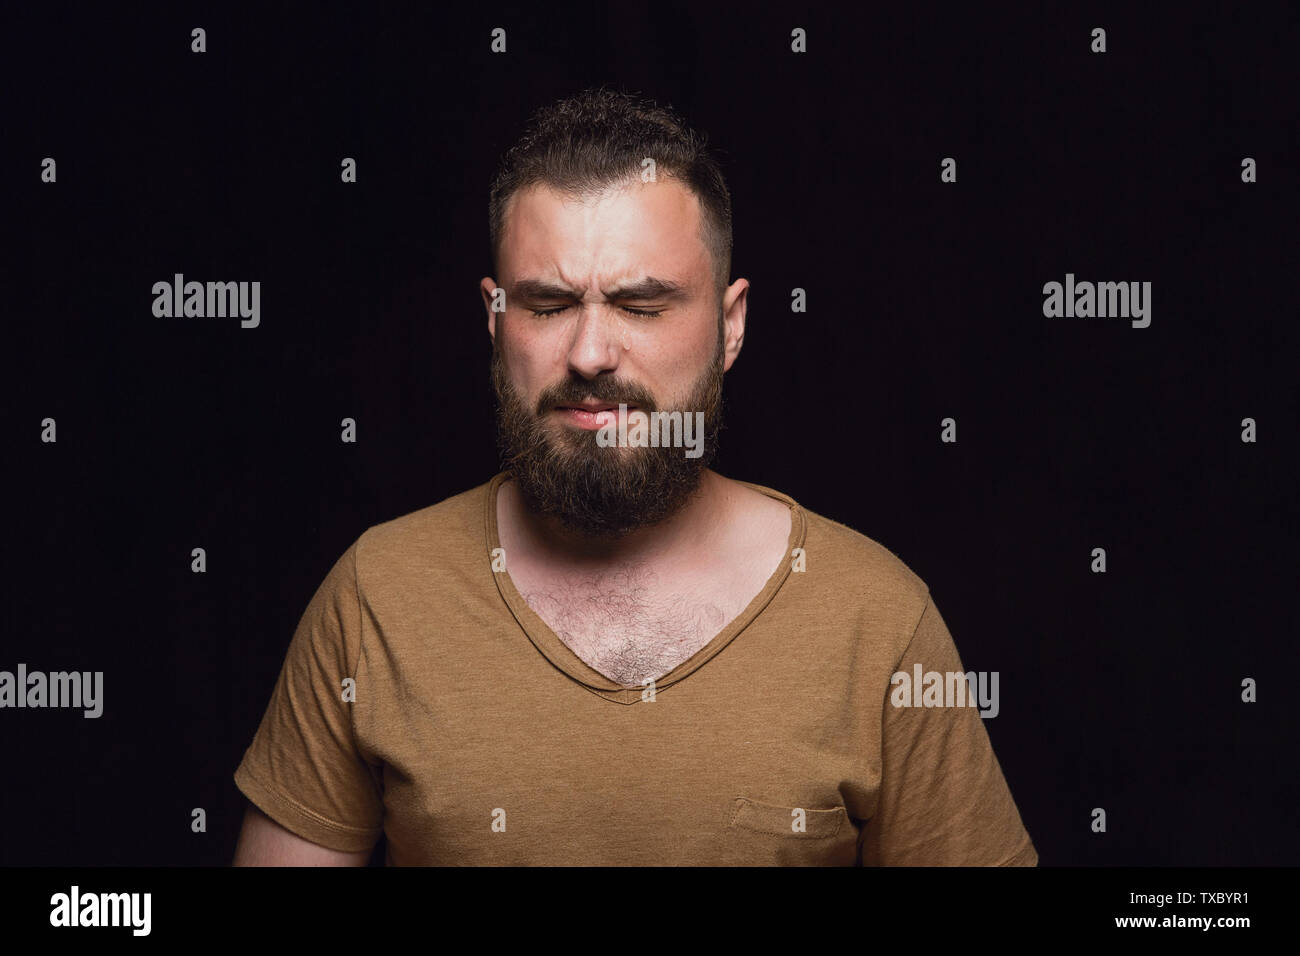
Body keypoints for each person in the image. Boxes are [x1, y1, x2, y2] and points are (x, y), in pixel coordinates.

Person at [232, 87, 1037, 866]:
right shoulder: (377, 596)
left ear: (730, 326)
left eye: (642, 306)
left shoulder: (878, 621)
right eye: (547, 305)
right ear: (494, 318)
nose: (589, 355)